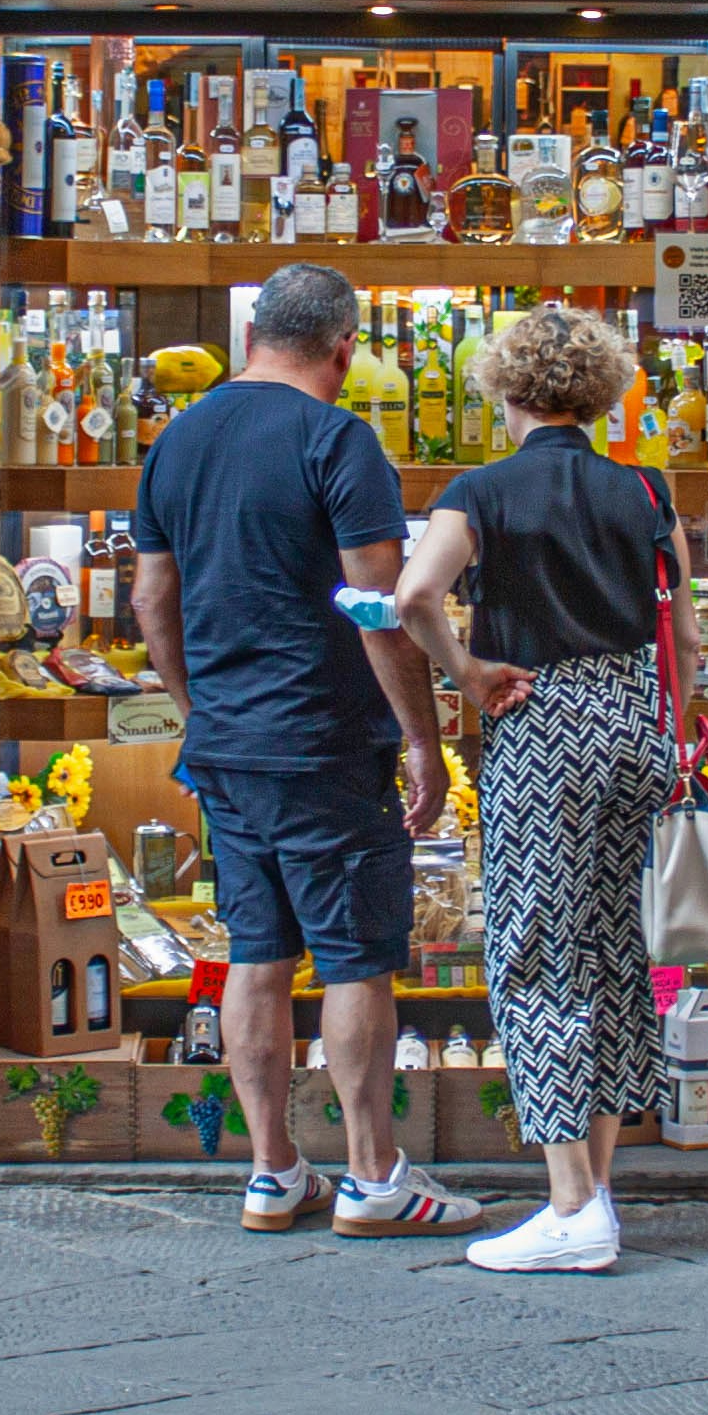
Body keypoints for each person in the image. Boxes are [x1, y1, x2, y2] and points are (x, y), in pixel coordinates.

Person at [131, 265, 486, 1237]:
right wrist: (422, 736)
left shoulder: (177, 442)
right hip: (327, 745)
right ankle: (373, 1177)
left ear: (253, 336)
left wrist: (196, 705)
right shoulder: (338, 440)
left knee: (256, 955)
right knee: (353, 963)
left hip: (230, 747)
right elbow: (379, 611)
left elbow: (150, 604)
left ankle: (273, 1173)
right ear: (342, 350)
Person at [392, 302, 691, 1276]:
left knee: (532, 951)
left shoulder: (482, 490)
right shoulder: (646, 490)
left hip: (543, 725)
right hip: (634, 721)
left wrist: (468, 672)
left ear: (505, 389)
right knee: (610, 954)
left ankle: (569, 1206)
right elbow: (683, 639)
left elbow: (413, 598)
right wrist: (668, 735)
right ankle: (593, 1193)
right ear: (598, 394)